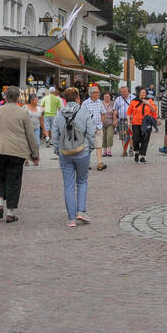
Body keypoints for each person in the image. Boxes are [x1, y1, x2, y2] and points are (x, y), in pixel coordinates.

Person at [0, 86, 41, 223]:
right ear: (18, 98)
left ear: (5, 97)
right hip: (17, 151)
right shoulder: (23, 112)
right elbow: (30, 135)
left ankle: (0, 203)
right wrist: (34, 154)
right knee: (14, 180)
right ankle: (10, 212)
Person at [51, 87, 96, 228]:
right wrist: (91, 148)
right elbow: (90, 133)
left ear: (65, 99)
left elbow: (55, 135)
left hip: (65, 153)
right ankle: (81, 211)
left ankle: (71, 219)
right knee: (82, 181)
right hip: (82, 152)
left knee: (68, 185)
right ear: (77, 98)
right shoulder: (84, 112)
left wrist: (57, 150)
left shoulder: (59, 115)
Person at [81, 85, 109, 171]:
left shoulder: (99, 102)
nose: (98, 94)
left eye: (98, 92)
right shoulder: (85, 103)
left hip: (98, 127)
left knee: (98, 145)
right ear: (92, 94)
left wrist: (101, 123)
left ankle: (99, 163)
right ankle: (86, 164)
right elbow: (81, 115)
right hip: (88, 129)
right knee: (88, 147)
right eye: (97, 92)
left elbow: (103, 113)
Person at [128, 86, 158, 162]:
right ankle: (137, 152)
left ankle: (142, 156)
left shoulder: (150, 101)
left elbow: (154, 110)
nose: (144, 94)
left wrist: (148, 104)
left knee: (145, 140)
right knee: (136, 139)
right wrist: (129, 122)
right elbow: (129, 113)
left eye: (145, 92)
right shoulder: (133, 102)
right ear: (139, 93)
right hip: (136, 123)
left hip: (147, 123)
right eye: (142, 92)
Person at [113, 85, 132, 157]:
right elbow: (115, 110)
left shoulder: (133, 98)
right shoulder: (118, 99)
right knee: (123, 136)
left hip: (131, 120)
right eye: (121, 92)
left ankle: (131, 149)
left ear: (128, 91)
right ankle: (124, 150)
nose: (123, 93)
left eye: (124, 91)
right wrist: (115, 120)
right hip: (121, 120)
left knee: (131, 136)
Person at [99, 88, 116, 160]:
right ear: (103, 97)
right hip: (101, 122)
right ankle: (104, 151)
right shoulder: (100, 103)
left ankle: (109, 151)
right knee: (103, 137)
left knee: (109, 136)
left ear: (110, 97)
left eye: (108, 96)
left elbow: (115, 112)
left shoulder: (113, 103)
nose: (106, 98)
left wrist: (115, 120)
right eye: (105, 96)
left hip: (110, 122)